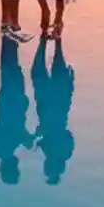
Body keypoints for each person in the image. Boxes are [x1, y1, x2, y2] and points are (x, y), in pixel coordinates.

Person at [32, 37, 76, 185]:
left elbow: (69, 135)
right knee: (42, 71)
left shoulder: (63, 152)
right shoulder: (56, 152)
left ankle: (48, 39)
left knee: (43, 70)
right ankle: (49, 39)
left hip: (56, 106)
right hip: (50, 107)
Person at [0, 36, 35, 185]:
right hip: (5, 103)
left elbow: (16, 131)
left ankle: (9, 37)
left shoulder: (6, 147)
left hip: (13, 102)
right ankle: (8, 38)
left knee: (12, 70)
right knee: (9, 68)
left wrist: (27, 139)